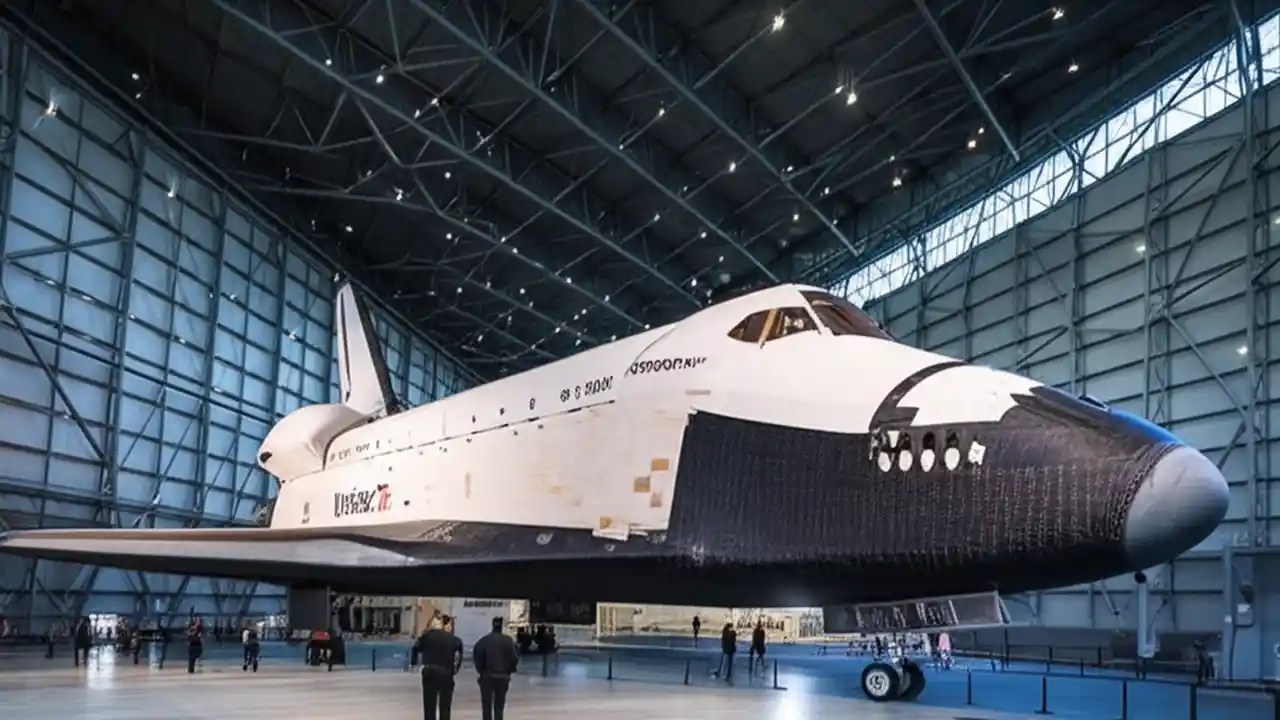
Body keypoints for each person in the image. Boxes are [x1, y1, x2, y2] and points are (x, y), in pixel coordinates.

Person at [418, 614, 463, 720]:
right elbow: (459, 658)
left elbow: (417, 648)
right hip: (446, 673)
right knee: (445, 706)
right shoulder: (455, 640)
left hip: (429, 671)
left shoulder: (428, 635)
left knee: (429, 705)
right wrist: (454, 670)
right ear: (448, 625)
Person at [473, 616, 519, 720]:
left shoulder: (483, 641)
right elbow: (515, 658)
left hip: (487, 676)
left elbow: (477, 657)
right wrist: (509, 671)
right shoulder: (508, 641)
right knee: (499, 706)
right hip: (503, 677)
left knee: (486, 705)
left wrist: (481, 671)